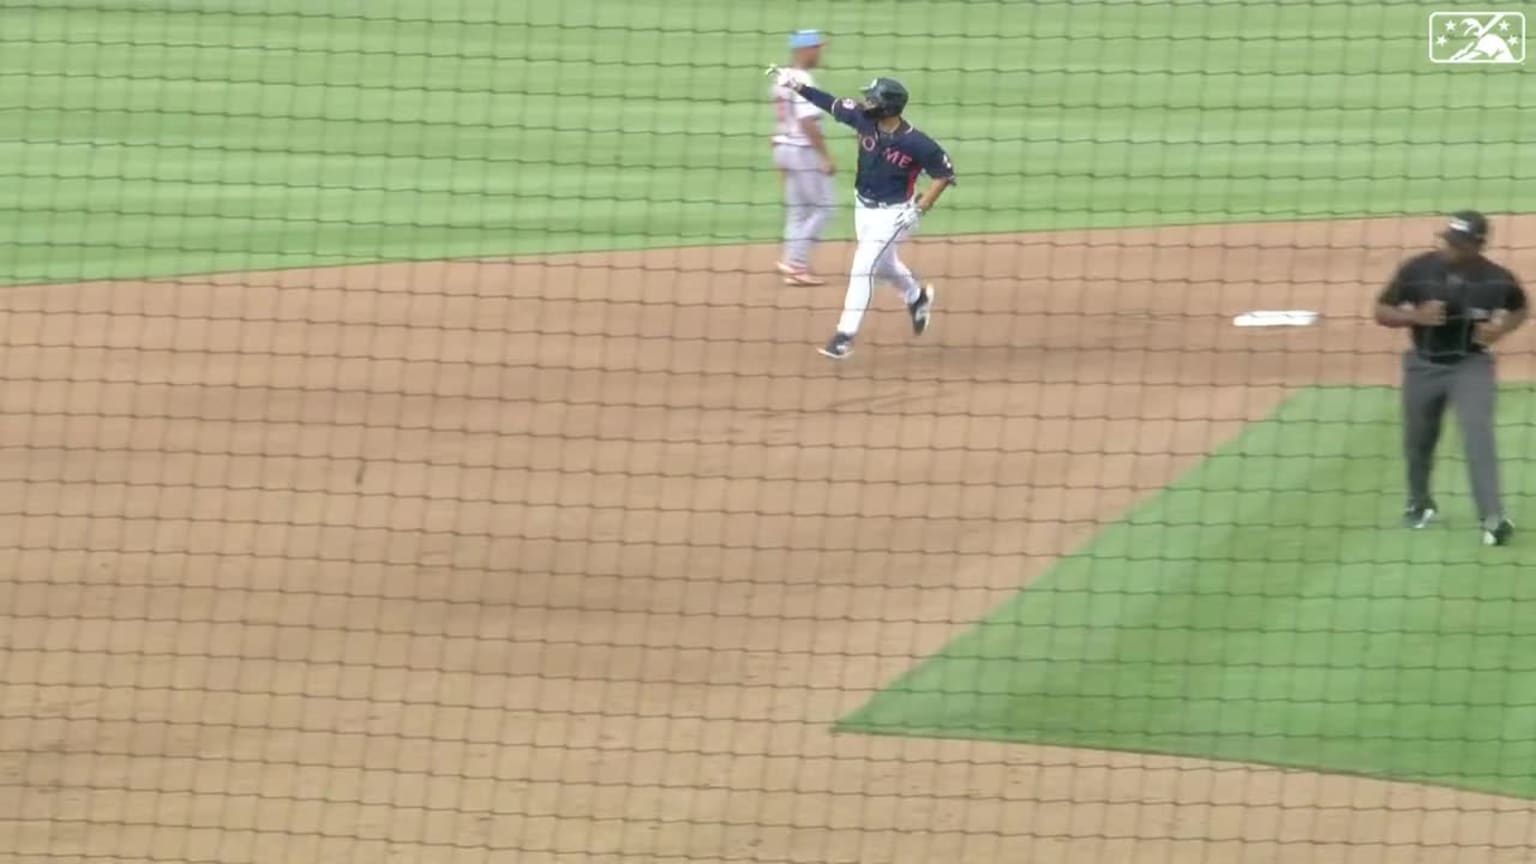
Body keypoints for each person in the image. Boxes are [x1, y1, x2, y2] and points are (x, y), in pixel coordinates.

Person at [764, 67, 955, 360]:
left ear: (887, 107)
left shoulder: (917, 143)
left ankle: (844, 337)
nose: (867, 102)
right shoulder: (863, 119)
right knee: (884, 265)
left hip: (895, 214)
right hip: (862, 208)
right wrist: (797, 85)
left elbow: (945, 173)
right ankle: (917, 297)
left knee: (863, 266)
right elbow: (829, 102)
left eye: (873, 99)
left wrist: (921, 207)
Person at [1374, 210, 1526, 545]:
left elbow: (1520, 307)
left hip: (1471, 365)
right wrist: (1415, 316)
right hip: (1422, 365)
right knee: (1419, 439)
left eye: (1458, 243)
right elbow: (1380, 311)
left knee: (1477, 434)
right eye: (1448, 240)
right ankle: (1419, 503)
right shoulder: (1418, 269)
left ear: (1478, 245)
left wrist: (1501, 328)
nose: (1449, 247)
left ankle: (1493, 518)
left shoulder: (1496, 279)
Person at [770, 30, 836, 286]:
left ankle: (789, 260)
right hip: (802, 150)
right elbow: (807, 121)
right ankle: (797, 266)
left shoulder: (781, 76)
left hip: (783, 146)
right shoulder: (803, 80)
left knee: (798, 211)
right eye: (817, 48)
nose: (820, 53)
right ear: (804, 50)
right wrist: (825, 156)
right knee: (825, 208)